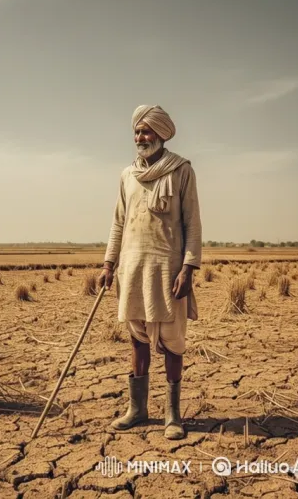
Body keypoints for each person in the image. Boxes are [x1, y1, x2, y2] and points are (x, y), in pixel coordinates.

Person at [99, 104, 202, 440]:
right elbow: (118, 222)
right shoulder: (126, 175)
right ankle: (138, 409)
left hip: (167, 270)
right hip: (132, 269)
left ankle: (172, 415)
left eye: (146, 131)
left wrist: (188, 268)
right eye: (137, 132)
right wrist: (108, 264)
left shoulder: (181, 170)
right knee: (137, 338)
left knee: (173, 343)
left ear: (161, 134)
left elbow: (192, 222)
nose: (139, 137)